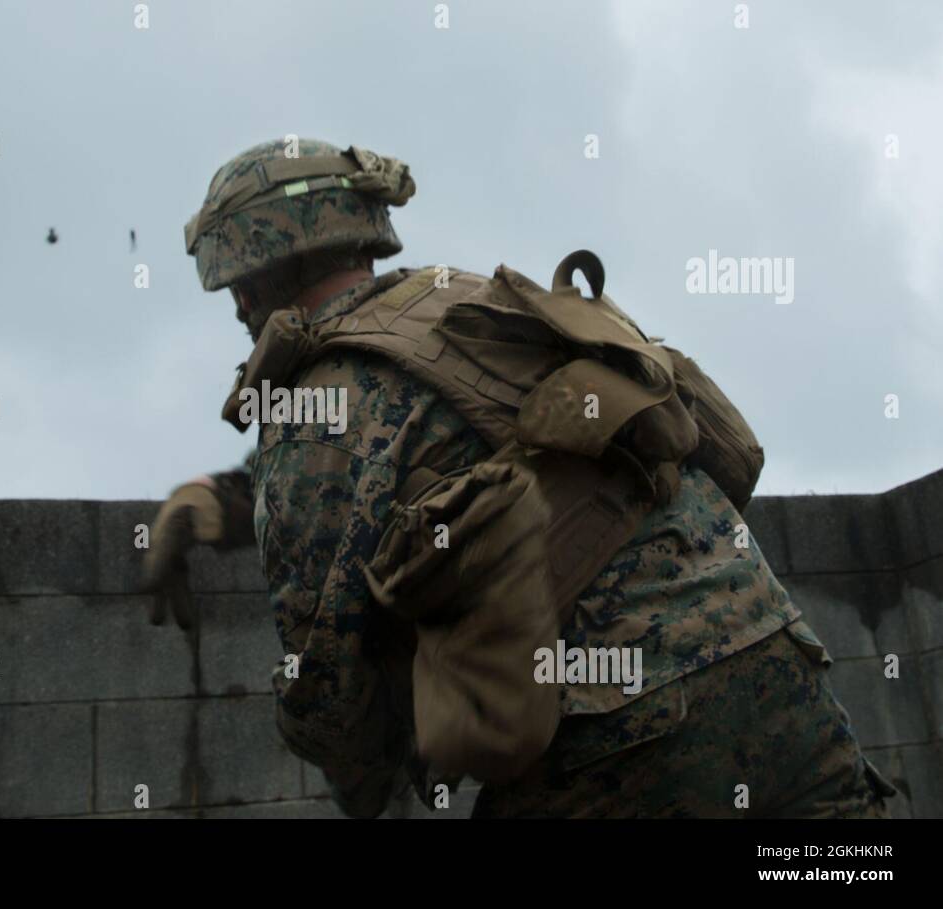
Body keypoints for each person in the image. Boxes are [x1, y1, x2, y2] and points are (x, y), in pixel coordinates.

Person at [143, 137, 895, 819]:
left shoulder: (312, 410)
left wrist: (367, 772)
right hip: (780, 666)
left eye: (235, 281)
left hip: (621, 736)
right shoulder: (466, 303)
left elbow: (337, 704)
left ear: (256, 265)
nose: (235, 304)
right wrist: (221, 501)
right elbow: (420, 443)